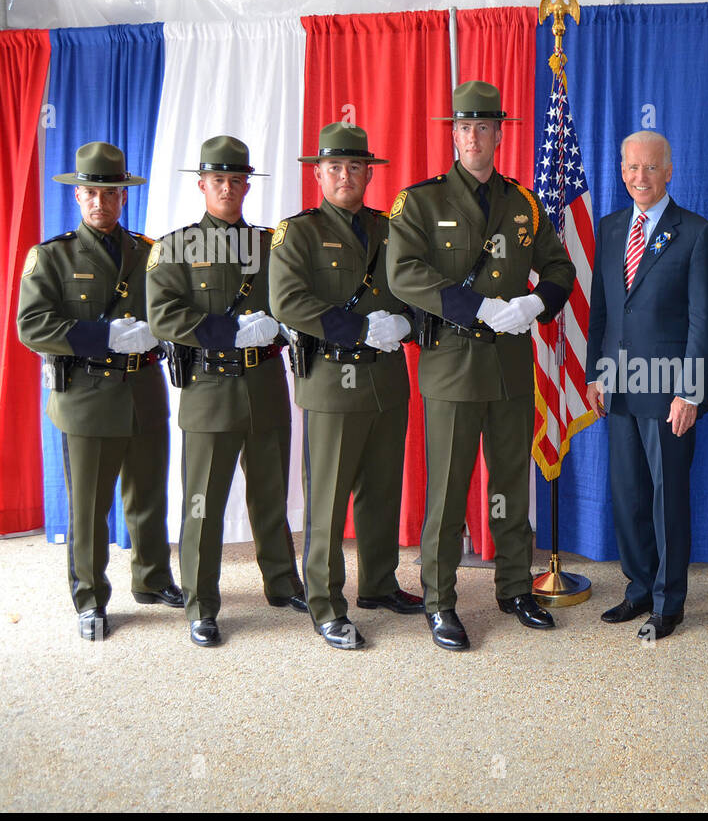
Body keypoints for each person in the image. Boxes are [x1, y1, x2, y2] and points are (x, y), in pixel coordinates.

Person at [387, 80, 576, 651]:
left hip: (510, 366)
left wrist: (534, 304)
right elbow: (404, 274)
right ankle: (440, 600)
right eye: (464, 127)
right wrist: (478, 307)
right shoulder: (420, 202)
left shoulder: (524, 203)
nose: (473, 137)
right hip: (452, 365)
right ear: (454, 135)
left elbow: (561, 269)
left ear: (499, 134)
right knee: (448, 489)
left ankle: (514, 587)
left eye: (483, 127)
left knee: (511, 485)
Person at [17, 141, 182, 640]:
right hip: (86, 397)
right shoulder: (53, 256)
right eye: (91, 192)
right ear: (77, 196)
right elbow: (31, 325)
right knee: (90, 508)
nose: (100, 202)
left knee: (148, 495)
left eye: (110, 193)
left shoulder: (150, 252)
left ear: (123, 196)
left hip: (143, 391)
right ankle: (89, 598)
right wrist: (103, 336)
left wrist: (164, 333)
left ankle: (152, 579)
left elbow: (172, 309)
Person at [147, 135, 306, 648]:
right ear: (201, 184)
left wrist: (285, 326)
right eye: (218, 179)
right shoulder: (175, 247)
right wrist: (230, 330)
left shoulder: (270, 245)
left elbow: (292, 301)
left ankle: (282, 584)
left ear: (247, 186)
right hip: (210, 387)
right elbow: (163, 315)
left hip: (264, 383)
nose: (228, 188)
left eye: (237, 180)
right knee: (203, 504)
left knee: (271, 494)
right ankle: (200, 603)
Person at [269, 123, 422, 651]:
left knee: (382, 491)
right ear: (318, 174)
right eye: (334, 166)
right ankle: (326, 604)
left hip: (386, 380)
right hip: (333, 381)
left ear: (368, 174)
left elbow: (414, 288)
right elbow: (288, 302)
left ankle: (378, 584)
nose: (345, 175)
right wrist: (358, 328)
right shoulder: (298, 233)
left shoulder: (390, 229)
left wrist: (405, 322)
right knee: (328, 501)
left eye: (355, 166)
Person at [586, 131, 708, 641]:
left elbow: (704, 322)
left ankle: (668, 603)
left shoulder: (696, 233)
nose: (639, 177)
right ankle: (639, 587)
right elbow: (602, 310)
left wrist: (690, 391)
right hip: (619, 387)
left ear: (669, 171)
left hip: (669, 392)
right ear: (621, 171)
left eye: (649, 167)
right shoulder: (610, 227)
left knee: (668, 499)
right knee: (628, 497)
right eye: (631, 167)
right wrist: (595, 374)